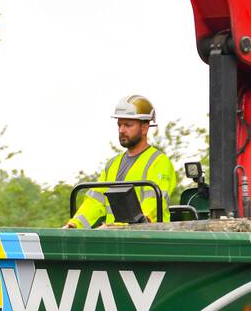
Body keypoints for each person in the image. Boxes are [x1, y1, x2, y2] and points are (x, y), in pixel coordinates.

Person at [65, 95, 178, 228]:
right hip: (116, 240)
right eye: (119, 125)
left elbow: (152, 205)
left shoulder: (159, 162)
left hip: (148, 241)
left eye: (128, 125)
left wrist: (119, 227)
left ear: (145, 127)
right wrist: (74, 225)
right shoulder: (112, 165)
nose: (121, 130)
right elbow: (95, 202)